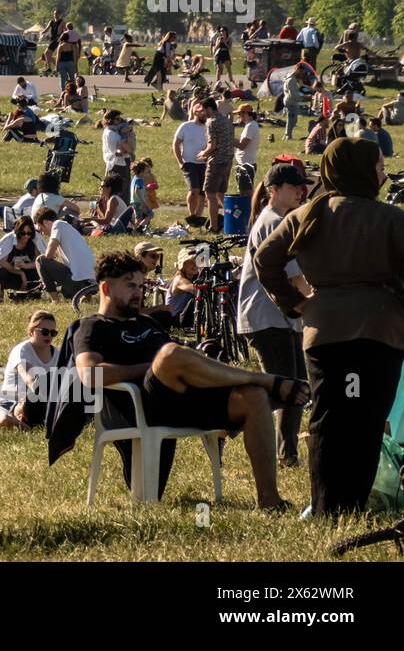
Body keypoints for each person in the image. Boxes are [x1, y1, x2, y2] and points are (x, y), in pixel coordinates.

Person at [74, 250, 305, 509]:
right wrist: (151, 366)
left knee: (253, 397)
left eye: (140, 285)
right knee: (170, 354)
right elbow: (89, 374)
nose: (138, 292)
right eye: (130, 285)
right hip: (143, 405)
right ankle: (266, 380)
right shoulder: (93, 327)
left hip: (183, 400)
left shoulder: (147, 324)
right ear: (106, 287)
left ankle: (270, 500)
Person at [256, 138, 404, 515]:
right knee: (366, 418)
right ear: (362, 170)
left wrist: (295, 304)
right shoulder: (390, 218)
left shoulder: (308, 214)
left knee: (328, 417)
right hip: (379, 330)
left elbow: (264, 260)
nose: (384, 175)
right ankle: (353, 503)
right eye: (379, 168)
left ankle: (326, 504)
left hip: (323, 331)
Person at [237, 163, 313, 468]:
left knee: (295, 388)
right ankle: (228, 419)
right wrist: (315, 303)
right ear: (273, 191)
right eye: (294, 187)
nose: (300, 191)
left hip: (282, 317)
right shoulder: (273, 222)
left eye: (301, 187)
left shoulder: (281, 219)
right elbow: (294, 277)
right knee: (285, 389)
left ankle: (287, 453)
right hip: (266, 318)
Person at [2, 310, 59, 426]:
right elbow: (30, 380)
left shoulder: (57, 354)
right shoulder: (22, 350)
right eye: (44, 332)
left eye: (53, 333)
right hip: (15, 401)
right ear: (31, 331)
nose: (49, 336)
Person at [36, 207, 95, 300]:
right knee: (66, 292)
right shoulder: (67, 228)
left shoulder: (58, 224)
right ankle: (84, 295)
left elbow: (48, 255)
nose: (42, 232)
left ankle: (55, 300)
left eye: (40, 227)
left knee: (41, 260)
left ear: (45, 222)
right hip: (91, 282)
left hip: (80, 280)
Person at [199, 97, 233, 232]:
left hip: (216, 161)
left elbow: (212, 145)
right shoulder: (227, 120)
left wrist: (204, 153)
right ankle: (229, 222)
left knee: (210, 194)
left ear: (208, 108)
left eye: (203, 109)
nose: (202, 113)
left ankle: (214, 227)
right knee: (221, 194)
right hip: (228, 161)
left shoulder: (211, 122)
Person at [0, 217, 44, 292]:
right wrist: (21, 273)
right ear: (17, 231)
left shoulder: (34, 241)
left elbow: (40, 261)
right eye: (23, 233)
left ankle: (33, 291)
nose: (26, 236)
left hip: (29, 275)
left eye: (29, 233)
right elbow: (1, 261)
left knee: (40, 272)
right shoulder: (9, 241)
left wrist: (26, 266)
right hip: (11, 274)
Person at [173, 99, 208, 224]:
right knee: (194, 190)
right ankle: (191, 215)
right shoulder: (186, 126)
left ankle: (197, 219)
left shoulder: (209, 126)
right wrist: (180, 162)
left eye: (205, 111)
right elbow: (176, 144)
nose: (204, 114)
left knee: (203, 194)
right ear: (195, 113)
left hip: (205, 164)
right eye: (201, 112)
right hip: (189, 162)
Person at [100, 110, 131, 200]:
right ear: (110, 120)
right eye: (117, 119)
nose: (120, 121)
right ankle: (121, 211)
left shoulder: (111, 131)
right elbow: (118, 151)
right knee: (121, 190)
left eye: (120, 118)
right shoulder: (112, 133)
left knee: (117, 189)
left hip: (115, 162)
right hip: (119, 163)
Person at [233, 103, 259, 194]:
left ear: (246, 114)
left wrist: (228, 138)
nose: (239, 117)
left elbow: (242, 145)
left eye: (240, 114)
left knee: (246, 192)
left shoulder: (250, 126)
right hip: (245, 163)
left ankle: (251, 208)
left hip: (245, 164)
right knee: (244, 190)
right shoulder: (251, 125)